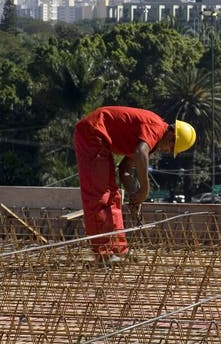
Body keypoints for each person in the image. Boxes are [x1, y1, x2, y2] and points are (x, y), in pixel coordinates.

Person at [74, 106, 196, 262]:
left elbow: (124, 169)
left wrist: (134, 197)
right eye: (171, 148)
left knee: (113, 195)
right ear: (171, 135)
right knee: (100, 196)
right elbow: (140, 153)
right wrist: (144, 189)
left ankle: (118, 250)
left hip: (100, 137)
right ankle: (103, 253)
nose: (167, 151)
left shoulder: (150, 140)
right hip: (92, 132)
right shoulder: (156, 128)